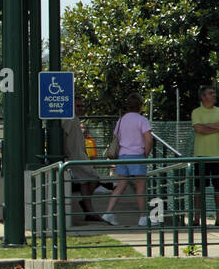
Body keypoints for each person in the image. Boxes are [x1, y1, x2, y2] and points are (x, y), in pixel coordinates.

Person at [103, 92, 153, 226]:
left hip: (122, 156)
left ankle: (108, 212)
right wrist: (145, 154)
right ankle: (143, 217)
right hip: (137, 155)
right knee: (140, 186)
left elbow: (116, 137)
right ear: (140, 106)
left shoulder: (121, 120)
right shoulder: (142, 120)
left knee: (121, 185)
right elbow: (148, 140)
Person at [192, 85, 219, 226]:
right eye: (210, 93)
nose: (214, 95)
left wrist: (207, 126)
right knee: (199, 187)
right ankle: (197, 218)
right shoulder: (196, 112)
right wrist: (216, 126)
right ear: (203, 97)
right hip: (201, 155)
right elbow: (198, 129)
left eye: (214, 92)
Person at [61, 96, 104, 223]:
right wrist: (66, 152)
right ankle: (86, 205)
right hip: (75, 157)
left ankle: (89, 210)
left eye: (81, 106)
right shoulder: (69, 118)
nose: (81, 108)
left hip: (80, 156)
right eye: (78, 106)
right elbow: (63, 134)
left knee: (85, 181)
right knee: (94, 178)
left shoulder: (74, 118)